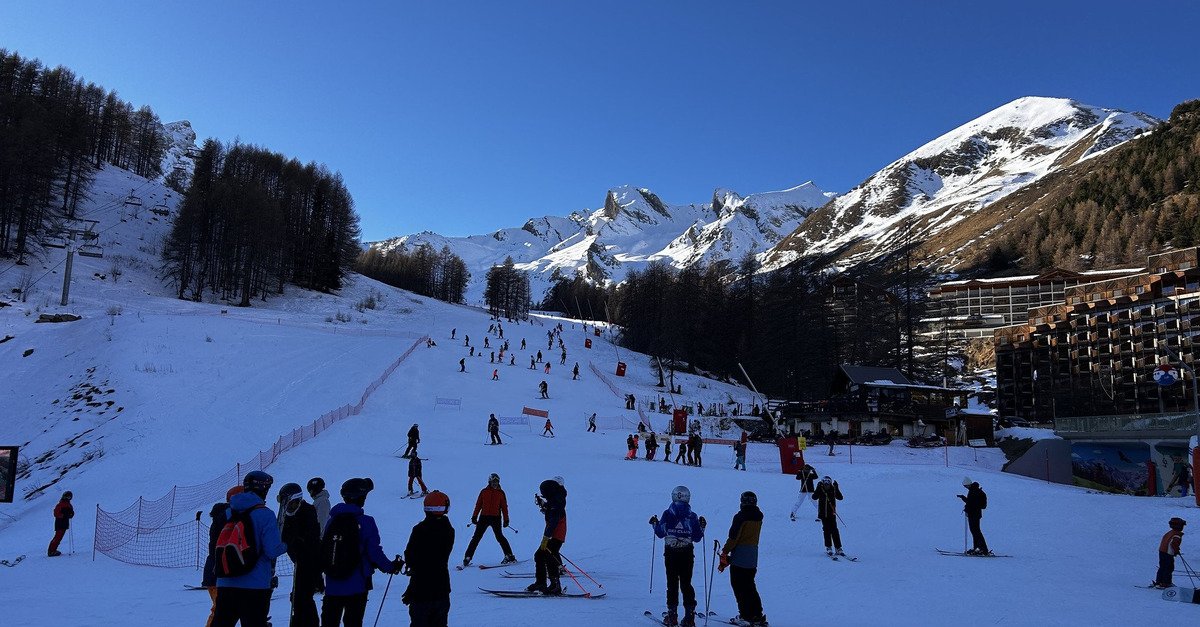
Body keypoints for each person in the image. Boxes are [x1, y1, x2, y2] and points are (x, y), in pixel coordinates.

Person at [321, 478, 404, 627]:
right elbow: (374, 552)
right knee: (353, 622)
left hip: (333, 583)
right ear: (362, 498)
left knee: (330, 622)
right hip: (357, 583)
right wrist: (390, 567)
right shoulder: (366, 522)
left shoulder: (332, 520)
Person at [212, 471, 288, 627]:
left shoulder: (226, 513)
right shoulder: (265, 514)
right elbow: (272, 550)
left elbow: (215, 543)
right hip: (255, 584)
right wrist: (288, 544)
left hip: (225, 582)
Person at [650, 486, 706, 626]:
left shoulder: (668, 514)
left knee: (672, 583)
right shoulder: (691, 516)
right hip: (687, 552)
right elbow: (697, 537)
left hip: (671, 552)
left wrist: (655, 524)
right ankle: (689, 616)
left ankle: (672, 615)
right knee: (686, 583)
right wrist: (702, 527)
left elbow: (660, 533)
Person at [403, 491, 455, 626]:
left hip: (420, 590)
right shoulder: (449, 530)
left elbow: (410, 557)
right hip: (441, 588)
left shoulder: (419, 530)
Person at [719, 491, 767, 627]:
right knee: (750, 586)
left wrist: (725, 551)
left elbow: (734, 537)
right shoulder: (758, 517)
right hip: (752, 556)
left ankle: (745, 615)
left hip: (740, 556)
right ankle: (757, 614)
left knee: (739, 586)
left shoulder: (741, 517)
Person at [277, 483, 322, 627]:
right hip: (298, 560)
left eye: (290, 504)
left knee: (302, 597)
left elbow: (312, 539)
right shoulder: (288, 514)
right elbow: (285, 536)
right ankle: (300, 622)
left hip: (309, 561)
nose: (288, 507)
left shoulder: (308, 511)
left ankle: (307, 623)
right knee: (298, 597)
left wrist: (298, 542)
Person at [203, 487, 242, 627]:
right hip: (217, 573)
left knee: (224, 611)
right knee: (219, 611)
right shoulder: (226, 517)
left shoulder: (224, 516)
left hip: (218, 572)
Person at [463, 474, 517, 567]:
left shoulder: (501, 493)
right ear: (490, 482)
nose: (495, 484)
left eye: (496, 482)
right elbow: (478, 505)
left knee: (499, 537)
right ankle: (468, 557)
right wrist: (474, 516)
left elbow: (504, 507)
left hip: (496, 518)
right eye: (493, 482)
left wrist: (506, 519)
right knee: (476, 537)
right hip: (484, 517)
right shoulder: (484, 492)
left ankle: (509, 555)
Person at [528, 478, 567, 595]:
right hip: (553, 535)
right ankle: (541, 582)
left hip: (555, 536)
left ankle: (555, 585)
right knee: (539, 555)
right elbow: (550, 510)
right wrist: (543, 505)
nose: (543, 495)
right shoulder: (555, 500)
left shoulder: (556, 502)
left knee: (548, 557)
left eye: (544, 492)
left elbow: (554, 521)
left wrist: (546, 538)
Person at [812, 476, 845, 557]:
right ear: (823, 482)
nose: (827, 483)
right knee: (826, 530)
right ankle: (828, 547)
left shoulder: (833, 489)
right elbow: (814, 497)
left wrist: (836, 488)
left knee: (835, 530)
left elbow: (840, 498)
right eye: (825, 482)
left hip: (832, 514)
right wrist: (817, 488)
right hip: (823, 514)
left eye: (828, 482)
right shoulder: (820, 489)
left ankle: (838, 548)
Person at [958, 477, 989, 556]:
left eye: (965, 486)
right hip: (973, 514)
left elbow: (975, 504)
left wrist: (969, 506)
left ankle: (984, 550)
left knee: (976, 532)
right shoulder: (973, 491)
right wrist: (964, 498)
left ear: (968, 485)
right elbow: (970, 502)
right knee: (974, 532)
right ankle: (977, 548)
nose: (965, 488)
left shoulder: (975, 492)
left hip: (974, 515)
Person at [1153, 517, 1187, 589]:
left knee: (1162, 567)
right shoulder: (1177, 534)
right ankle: (1166, 583)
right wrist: (1176, 551)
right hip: (1168, 553)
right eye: (1182, 525)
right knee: (1169, 568)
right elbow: (1174, 544)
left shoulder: (1170, 532)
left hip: (1162, 551)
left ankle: (1158, 582)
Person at [48, 491, 74, 557]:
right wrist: (64, 515)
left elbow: (71, 512)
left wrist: (71, 514)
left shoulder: (68, 504)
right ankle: (51, 551)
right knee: (57, 537)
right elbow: (56, 513)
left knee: (59, 537)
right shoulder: (61, 504)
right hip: (60, 523)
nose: (68, 498)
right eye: (67, 496)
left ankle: (53, 550)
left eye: (69, 497)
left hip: (64, 523)